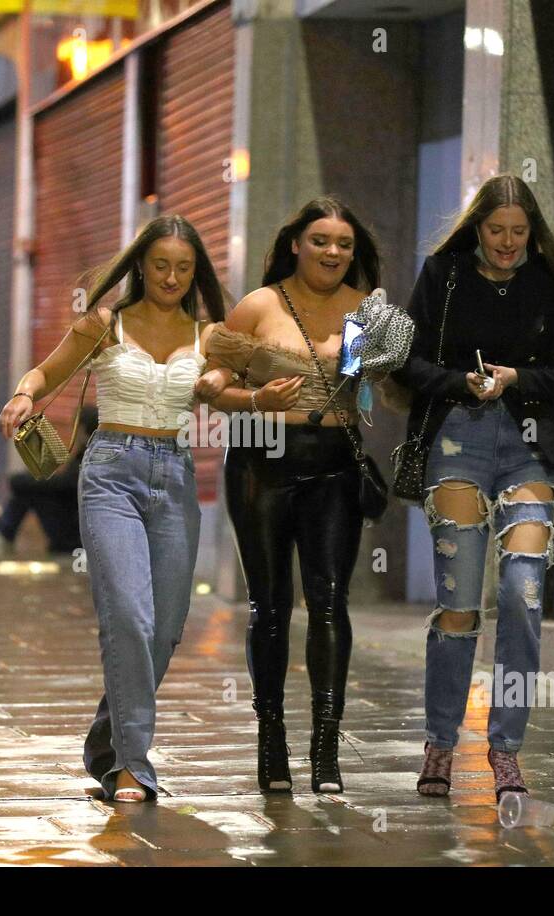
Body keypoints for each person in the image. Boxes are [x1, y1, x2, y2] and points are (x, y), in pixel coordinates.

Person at [0, 215, 226, 802]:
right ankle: (132, 765)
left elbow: (237, 385)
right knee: (130, 617)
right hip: (110, 475)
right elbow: (46, 370)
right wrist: (25, 394)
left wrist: (255, 392)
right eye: (160, 265)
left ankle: (105, 738)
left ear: (195, 271)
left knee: (166, 629)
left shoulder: (209, 333)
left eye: (183, 267)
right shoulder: (106, 322)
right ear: (140, 267)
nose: (171, 276)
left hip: (175, 476)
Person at [387, 173, 554, 803]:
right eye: (496, 231)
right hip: (456, 443)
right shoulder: (442, 274)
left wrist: (516, 376)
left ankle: (506, 749)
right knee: (459, 604)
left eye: (518, 233)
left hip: (528, 446)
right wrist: (459, 384)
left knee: (524, 592)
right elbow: (408, 363)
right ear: (477, 226)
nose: (506, 243)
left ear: (533, 234)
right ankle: (441, 742)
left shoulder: (546, 282)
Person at [195, 195, 381, 794]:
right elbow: (213, 385)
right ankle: (270, 738)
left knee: (330, 601)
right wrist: (251, 399)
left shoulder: (368, 310)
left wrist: (379, 365)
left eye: (344, 244)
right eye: (320, 240)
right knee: (270, 605)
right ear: (296, 243)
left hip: (334, 465)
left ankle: (326, 748)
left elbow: (386, 386)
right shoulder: (259, 304)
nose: (332, 252)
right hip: (261, 458)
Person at [0, 406, 99, 557]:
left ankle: (2, 535)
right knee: (28, 486)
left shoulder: (94, 455)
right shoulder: (88, 451)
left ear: (82, 428)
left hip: (74, 537)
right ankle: (1, 534)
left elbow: (68, 484)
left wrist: (21, 481)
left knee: (28, 490)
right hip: (75, 527)